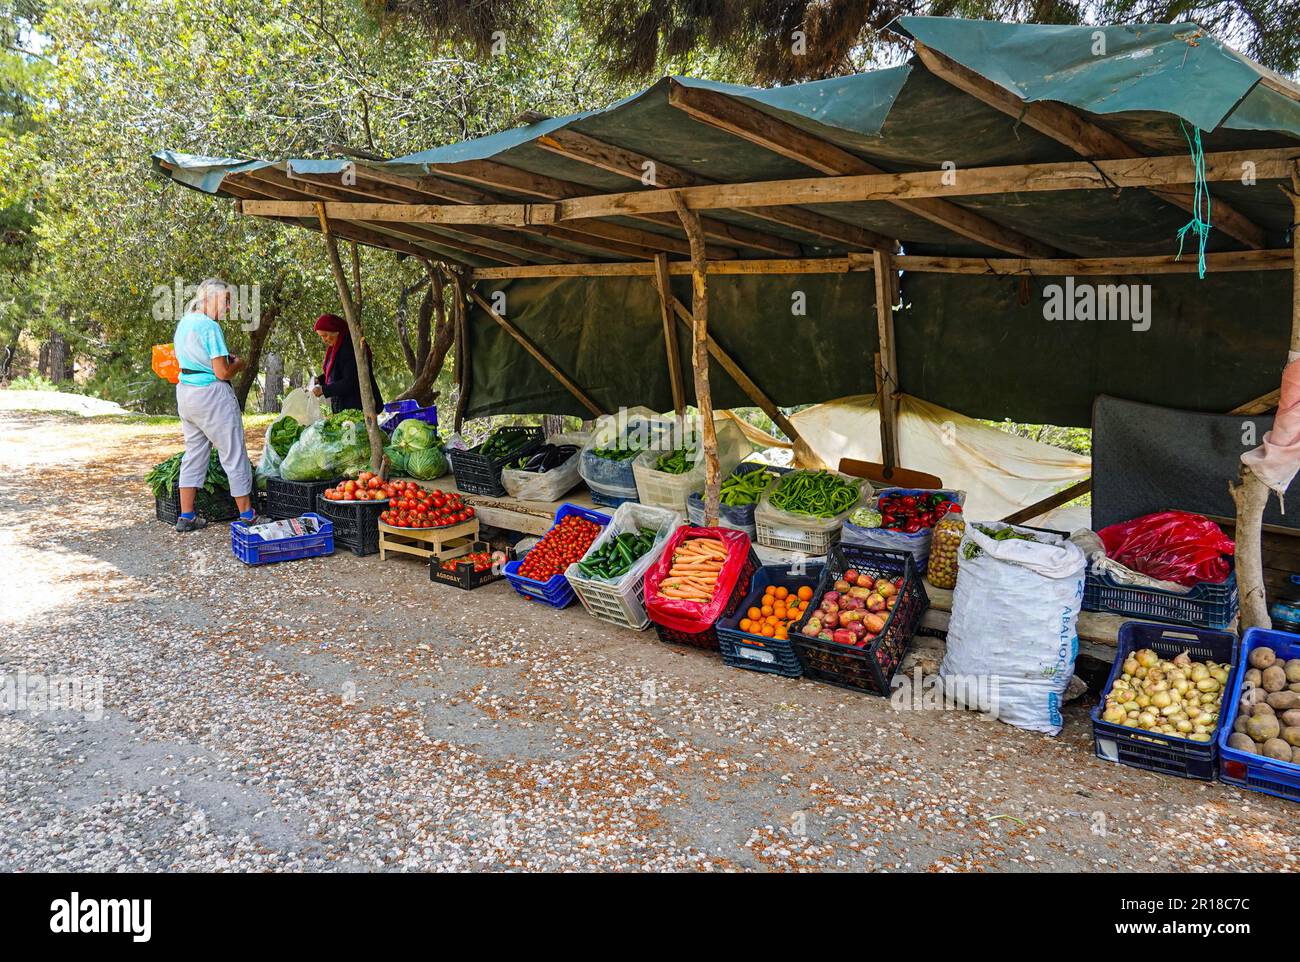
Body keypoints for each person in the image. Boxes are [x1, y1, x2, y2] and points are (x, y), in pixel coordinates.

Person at [172, 278, 258, 532]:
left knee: (194, 452)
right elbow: (222, 372)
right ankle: (247, 515)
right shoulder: (210, 327)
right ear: (208, 298)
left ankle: (186, 516)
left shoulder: (185, 322)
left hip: (186, 393)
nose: (229, 308)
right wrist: (239, 364)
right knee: (233, 453)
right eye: (226, 301)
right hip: (212, 396)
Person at [311, 313, 383, 414]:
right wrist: (320, 380)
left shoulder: (349, 347)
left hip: (358, 406)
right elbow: (336, 372)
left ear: (335, 331)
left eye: (325, 335)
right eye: (321, 337)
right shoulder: (335, 347)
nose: (324, 340)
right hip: (345, 407)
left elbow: (351, 381)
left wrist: (324, 390)